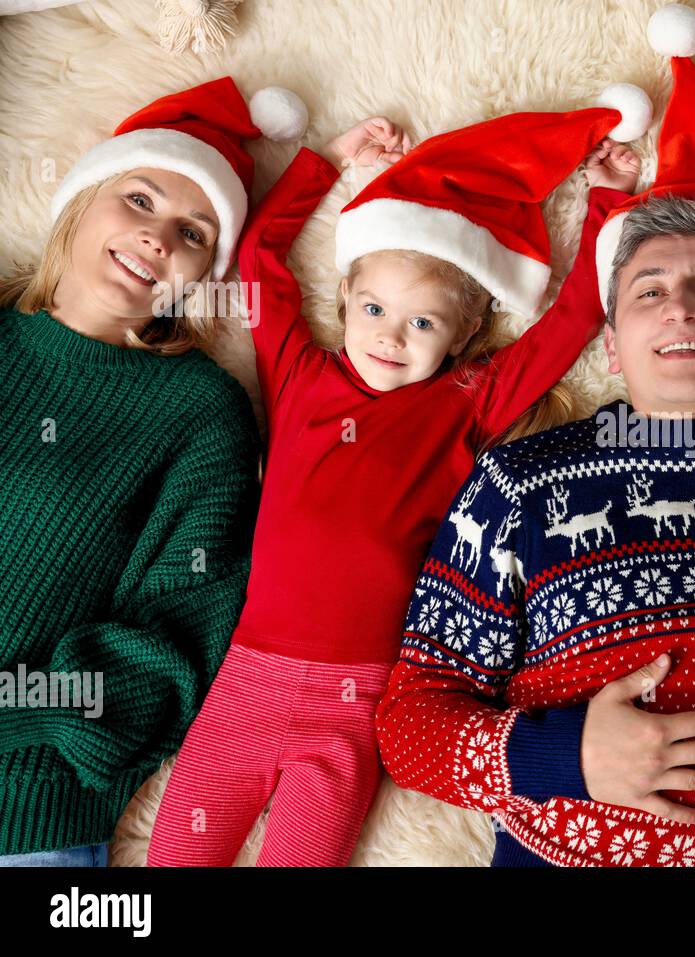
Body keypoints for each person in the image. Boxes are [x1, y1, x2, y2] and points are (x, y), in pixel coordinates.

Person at [375, 11, 695, 867]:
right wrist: (564, 753)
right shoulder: (523, 483)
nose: (683, 305)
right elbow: (409, 727)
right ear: (613, 344)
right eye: (648, 291)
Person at [147, 92, 647, 867]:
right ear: (344, 296)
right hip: (247, 679)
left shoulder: (464, 401)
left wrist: (606, 200)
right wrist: (328, 164)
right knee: (176, 856)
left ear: (467, 333)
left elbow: (571, 321)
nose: (390, 334)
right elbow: (258, 263)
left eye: (423, 322)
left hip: (360, 697)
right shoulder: (299, 373)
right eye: (375, 307)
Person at [0, 77, 276, 865]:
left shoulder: (198, 412)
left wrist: (18, 707)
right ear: (81, 203)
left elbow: (178, 639)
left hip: (27, 815)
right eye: (141, 200)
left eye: (194, 233)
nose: (162, 237)